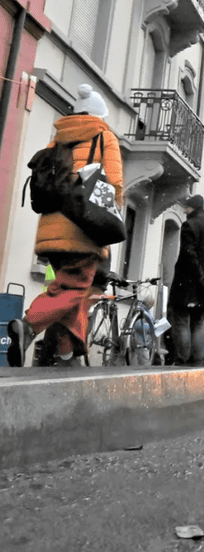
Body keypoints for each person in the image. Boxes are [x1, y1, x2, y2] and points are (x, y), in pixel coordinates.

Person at [7, 85, 124, 367]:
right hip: (81, 231)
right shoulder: (103, 136)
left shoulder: (56, 141)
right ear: (100, 115)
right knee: (74, 288)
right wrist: (109, 216)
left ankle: (67, 355)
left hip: (49, 235)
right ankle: (29, 326)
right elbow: (115, 184)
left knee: (67, 289)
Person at [167, 195, 204, 366]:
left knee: (181, 320)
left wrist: (198, 273)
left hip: (186, 283)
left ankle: (182, 358)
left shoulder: (189, 225)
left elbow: (188, 253)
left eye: (186, 208)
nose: (184, 211)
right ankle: (196, 358)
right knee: (198, 323)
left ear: (192, 209)